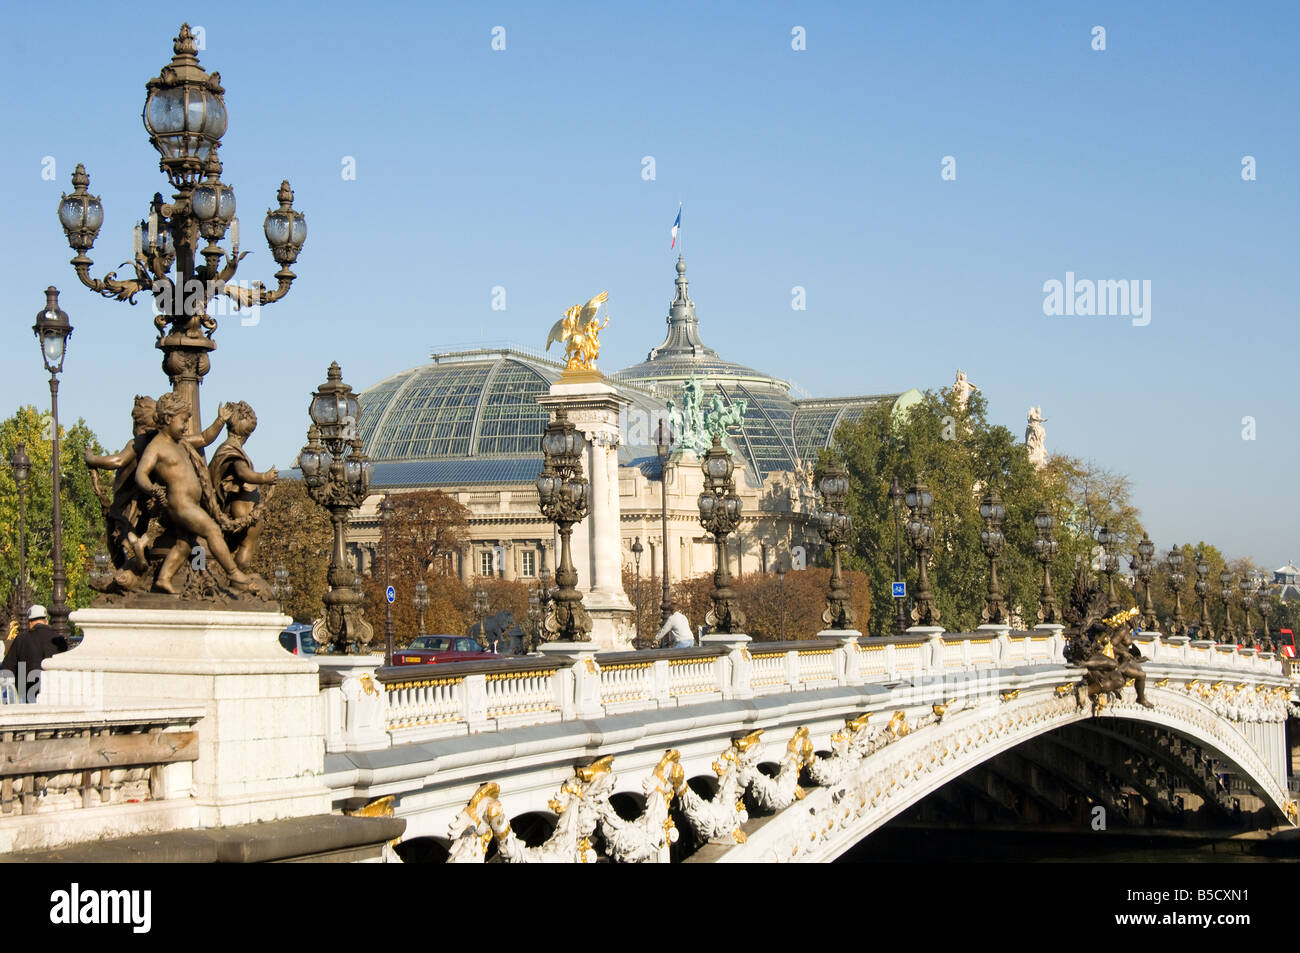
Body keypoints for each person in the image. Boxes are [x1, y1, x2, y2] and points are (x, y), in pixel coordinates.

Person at [1, 605, 68, 702]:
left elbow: (8, 667)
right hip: (53, 694)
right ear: (46, 621)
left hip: (26, 694)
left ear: (30, 623)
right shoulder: (59, 640)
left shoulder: (22, 639)